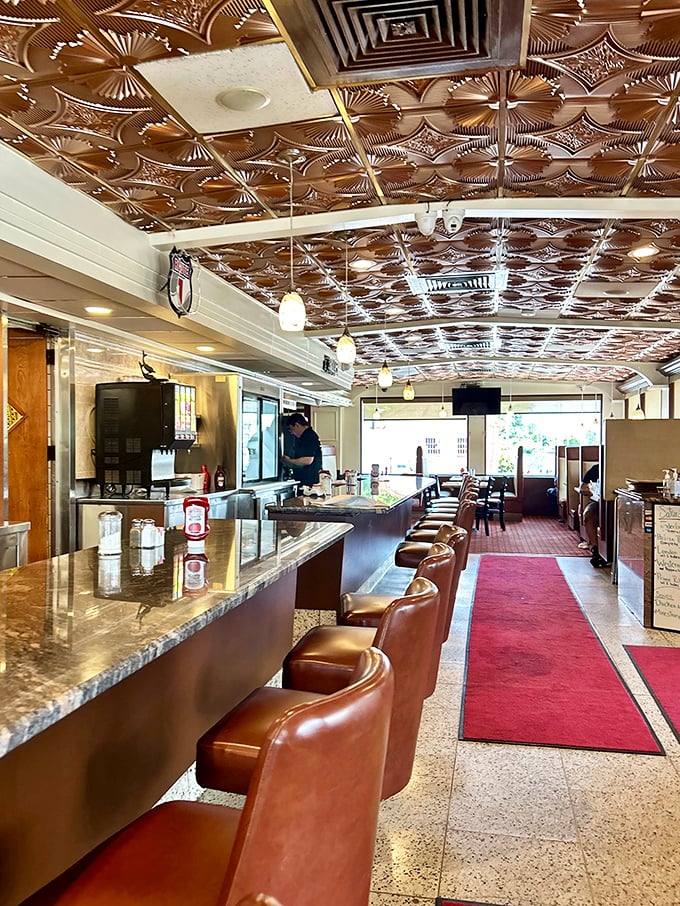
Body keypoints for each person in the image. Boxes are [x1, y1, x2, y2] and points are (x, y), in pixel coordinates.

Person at [282, 413, 322, 488]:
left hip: (309, 481)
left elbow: (307, 460)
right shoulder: (305, 436)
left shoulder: (308, 436)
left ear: (297, 425)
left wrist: (288, 460)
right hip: (308, 480)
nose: (292, 433)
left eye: (291, 429)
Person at [579, 463, 607, 567]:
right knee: (589, 514)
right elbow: (582, 488)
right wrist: (590, 490)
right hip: (599, 502)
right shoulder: (597, 468)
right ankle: (595, 549)